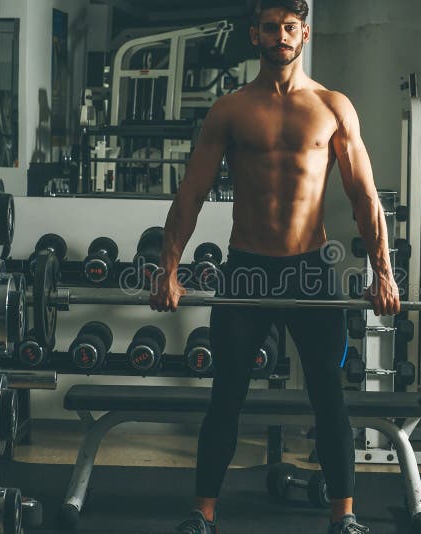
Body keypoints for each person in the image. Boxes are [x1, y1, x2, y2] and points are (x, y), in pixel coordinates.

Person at [150, 1, 400, 532]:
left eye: (289, 27)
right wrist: (168, 267)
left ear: (303, 34)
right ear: (255, 34)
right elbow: (191, 193)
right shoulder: (230, 110)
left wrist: (384, 272)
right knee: (226, 398)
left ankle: (344, 519)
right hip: (247, 269)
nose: (280, 35)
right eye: (270, 27)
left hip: (310, 272)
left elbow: (364, 196)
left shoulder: (333, 106)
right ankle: (203, 515)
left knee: (329, 398)